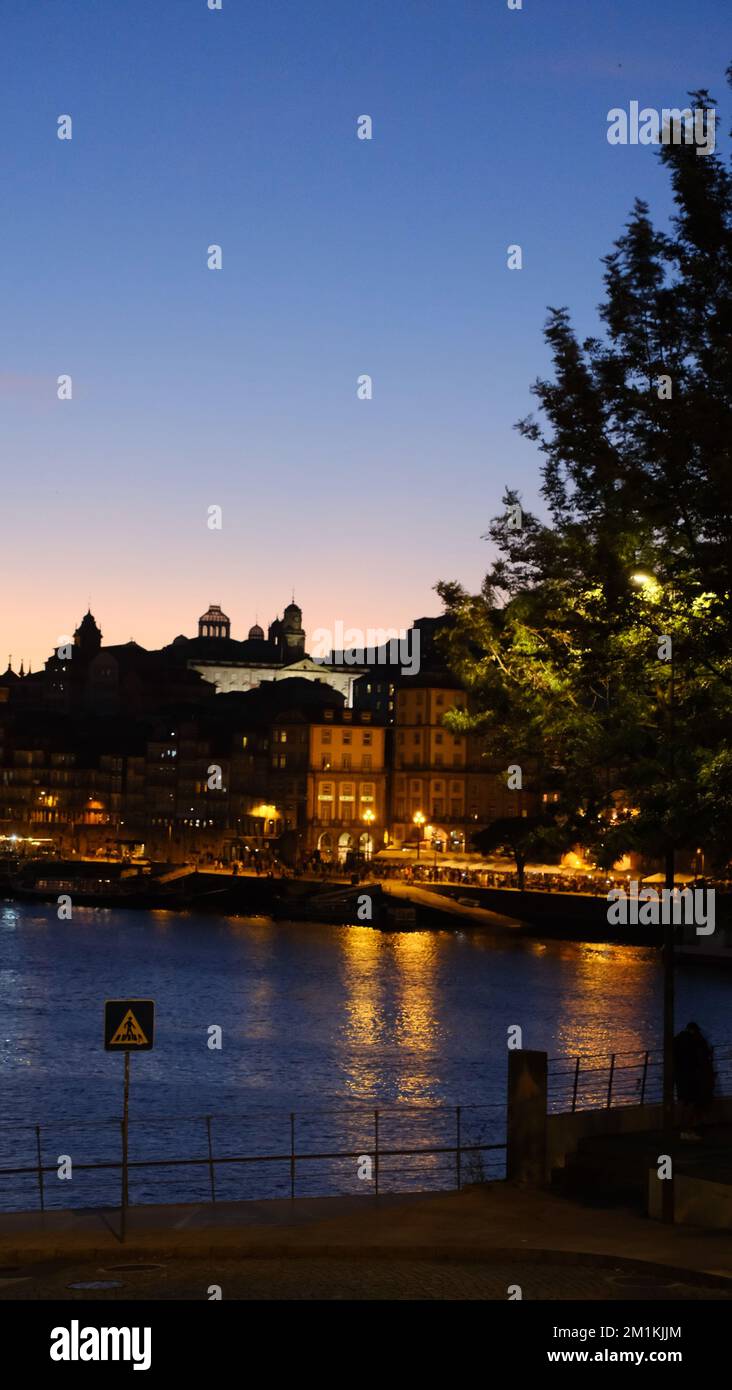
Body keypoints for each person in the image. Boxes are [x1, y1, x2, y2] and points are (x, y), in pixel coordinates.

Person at [673, 1021, 715, 1140]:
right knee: (691, 1102)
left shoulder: (676, 1040)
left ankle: (679, 1128)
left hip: (679, 1075)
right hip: (692, 1075)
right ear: (694, 1030)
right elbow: (703, 1055)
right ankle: (687, 1129)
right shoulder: (696, 1040)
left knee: (681, 1101)